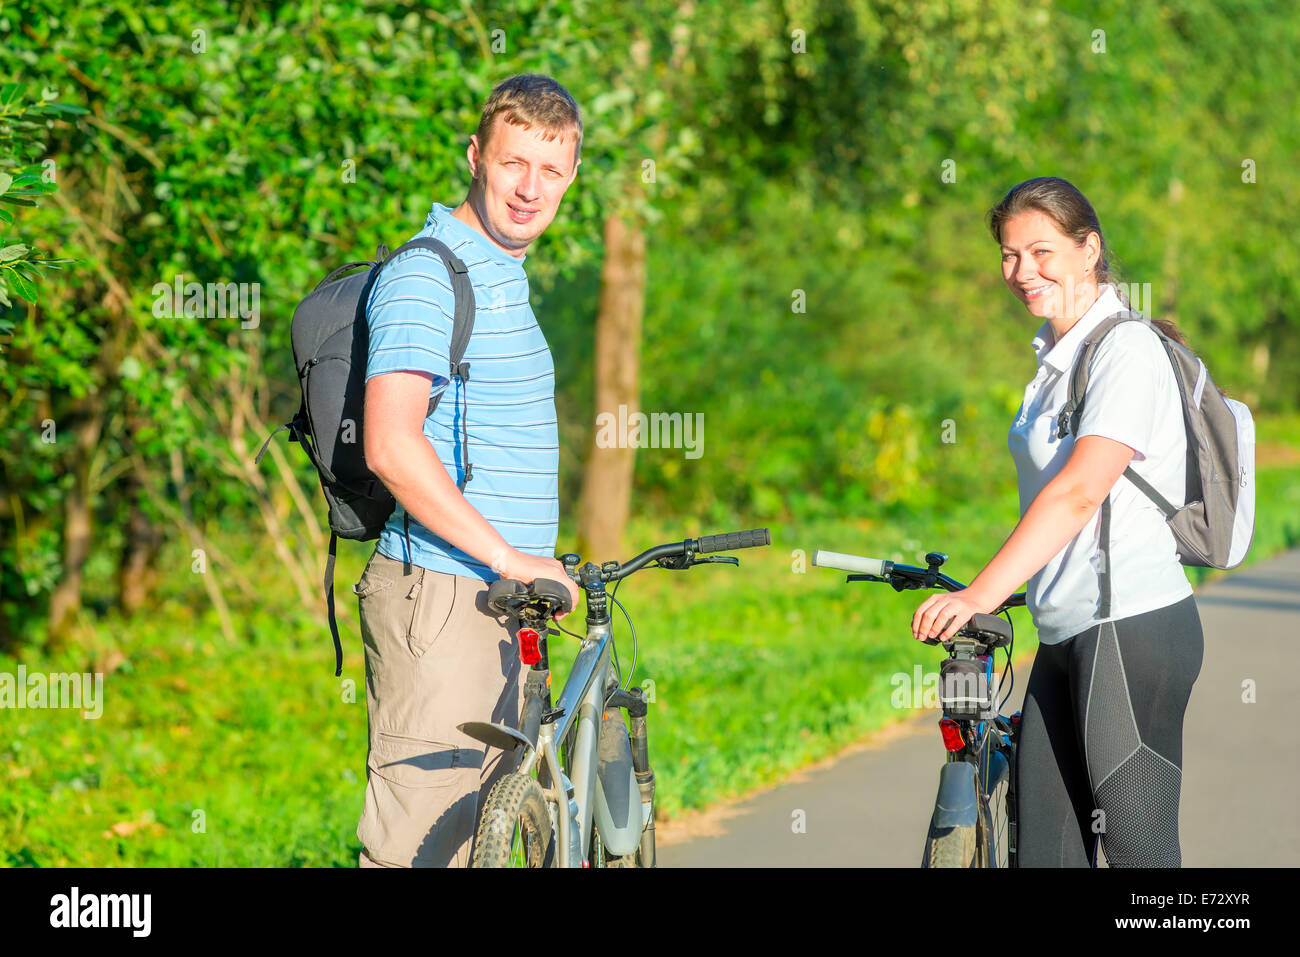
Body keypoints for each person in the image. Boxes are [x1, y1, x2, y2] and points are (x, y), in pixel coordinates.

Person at [911, 176, 1204, 866]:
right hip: (1064, 631)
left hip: (1131, 628)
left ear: (1089, 248)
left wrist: (979, 593)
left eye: (1041, 251)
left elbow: (1079, 491)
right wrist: (1019, 585)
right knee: (1046, 851)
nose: (1022, 272)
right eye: (1010, 255)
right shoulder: (1050, 359)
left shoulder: (1126, 350)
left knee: (1141, 854)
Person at [353, 74, 582, 868]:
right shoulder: (428, 274)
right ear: (476, 155)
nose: (529, 189)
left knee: (479, 841)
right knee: (422, 849)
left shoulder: (502, 273)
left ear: (572, 176)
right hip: (441, 596)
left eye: (550, 171)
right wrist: (509, 555)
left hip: (500, 598)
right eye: (514, 163)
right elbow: (390, 442)